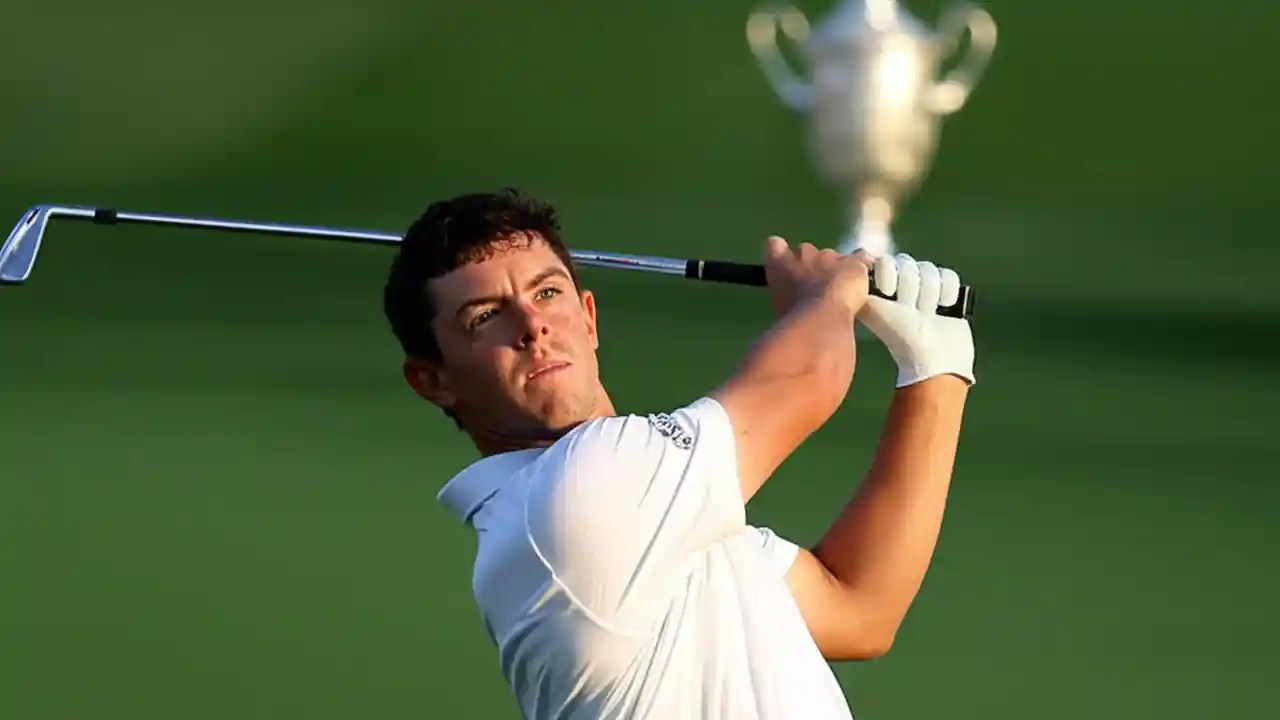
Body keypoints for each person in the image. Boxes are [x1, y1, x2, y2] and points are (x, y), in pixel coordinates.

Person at [382, 188, 976, 719]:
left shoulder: (654, 515)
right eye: (484, 316)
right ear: (433, 381)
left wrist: (935, 371)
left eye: (547, 292)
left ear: (587, 318)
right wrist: (822, 295)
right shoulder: (571, 495)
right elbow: (806, 379)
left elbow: (859, 608)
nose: (532, 325)